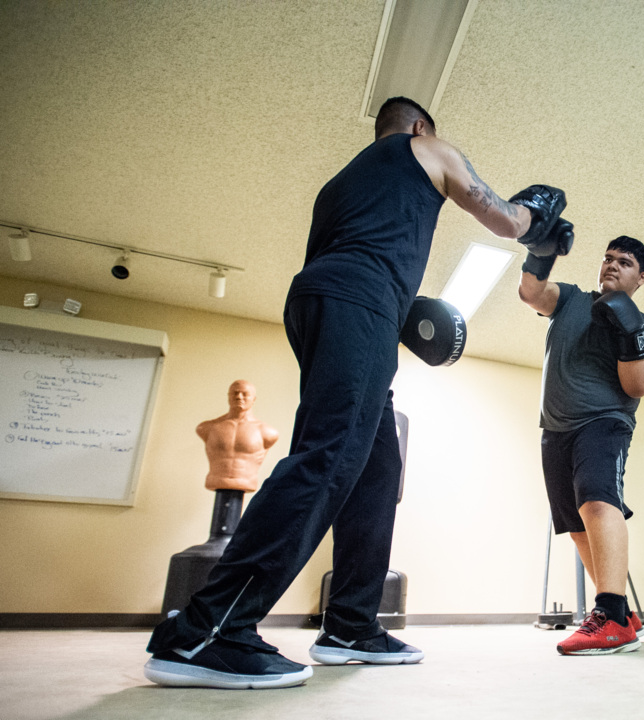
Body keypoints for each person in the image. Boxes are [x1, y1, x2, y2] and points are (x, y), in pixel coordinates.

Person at [144, 96, 569, 689]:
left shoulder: (341, 186)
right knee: (330, 455)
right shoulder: (427, 148)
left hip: (328, 304)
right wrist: (538, 219)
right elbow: (505, 219)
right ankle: (205, 629)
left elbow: (344, 257)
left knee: (375, 468)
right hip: (358, 302)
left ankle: (350, 626)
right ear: (419, 127)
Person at [519, 235, 644, 655]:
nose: (612, 265)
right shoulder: (571, 300)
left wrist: (628, 330)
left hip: (604, 422)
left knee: (598, 503)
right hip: (555, 430)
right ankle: (622, 612)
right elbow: (531, 292)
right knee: (576, 525)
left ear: (642, 277)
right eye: (608, 258)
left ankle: (611, 618)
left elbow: (638, 385)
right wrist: (542, 247)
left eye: (625, 262)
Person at [197, 380, 279, 493]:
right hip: (215, 480)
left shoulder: (267, 432)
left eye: (245, 394)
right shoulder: (207, 428)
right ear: (228, 396)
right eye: (235, 393)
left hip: (247, 482)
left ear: (254, 399)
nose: (239, 397)